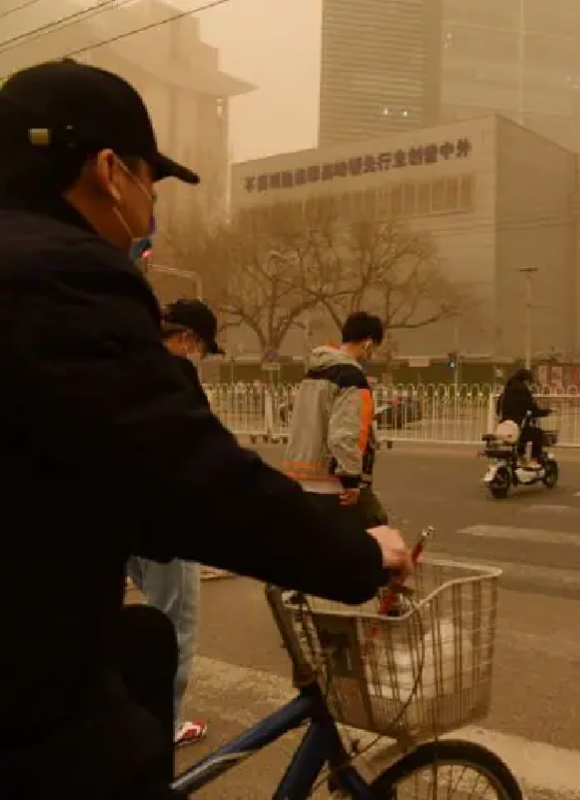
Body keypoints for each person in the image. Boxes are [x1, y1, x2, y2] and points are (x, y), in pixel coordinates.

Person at [0, 59, 413, 800]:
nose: (149, 206)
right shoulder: (60, 275)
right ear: (107, 171)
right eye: (148, 181)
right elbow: (190, 476)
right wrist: (354, 556)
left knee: (144, 646)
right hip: (23, 699)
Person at [126, 299, 224, 748]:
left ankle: (140, 718)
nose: (198, 356)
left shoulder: (126, 360)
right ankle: (167, 724)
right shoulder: (174, 378)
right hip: (169, 525)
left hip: (129, 522)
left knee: (152, 617)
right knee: (176, 627)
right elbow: (203, 456)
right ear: (187, 339)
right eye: (201, 346)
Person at [283, 311, 389, 530]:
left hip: (302, 475)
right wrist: (351, 480)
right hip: (333, 482)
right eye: (375, 349)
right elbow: (344, 435)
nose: (373, 356)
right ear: (368, 344)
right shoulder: (351, 378)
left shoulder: (314, 371)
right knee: (376, 533)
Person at [496, 367, 551, 467]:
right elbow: (532, 408)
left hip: (504, 428)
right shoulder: (523, 391)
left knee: (523, 434)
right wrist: (545, 412)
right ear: (525, 380)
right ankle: (534, 460)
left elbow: (497, 410)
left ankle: (521, 458)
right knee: (537, 434)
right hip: (517, 428)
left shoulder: (504, 393)